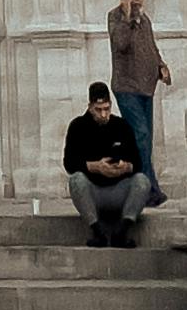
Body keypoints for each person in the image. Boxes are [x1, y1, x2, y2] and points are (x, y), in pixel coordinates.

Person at [62, 84, 154, 247]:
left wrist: (125, 167)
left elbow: (138, 163)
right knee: (76, 180)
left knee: (142, 181)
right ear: (90, 106)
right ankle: (97, 231)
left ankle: (123, 231)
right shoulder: (78, 126)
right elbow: (69, 163)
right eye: (98, 110)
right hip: (94, 192)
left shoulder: (121, 126)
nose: (103, 114)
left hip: (119, 189)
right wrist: (95, 166)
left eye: (106, 108)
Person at [106, 0, 170, 204]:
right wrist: (126, 16)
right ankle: (149, 189)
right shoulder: (116, 17)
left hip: (146, 88)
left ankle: (141, 188)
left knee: (145, 139)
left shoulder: (145, 21)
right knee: (141, 134)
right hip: (126, 87)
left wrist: (161, 66)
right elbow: (120, 44)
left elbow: (152, 48)